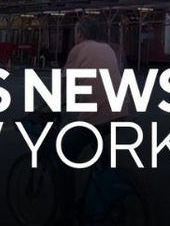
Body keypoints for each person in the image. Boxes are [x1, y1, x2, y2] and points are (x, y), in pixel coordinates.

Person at [51, 17, 129, 226]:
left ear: (81, 33)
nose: (75, 36)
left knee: (64, 152)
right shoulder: (107, 49)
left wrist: (50, 106)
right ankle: (109, 202)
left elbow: (63, 85)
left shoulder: (78, 50)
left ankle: (67, 214)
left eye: (76, 32)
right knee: (103, 161)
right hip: (121, 112)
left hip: (97, 117)